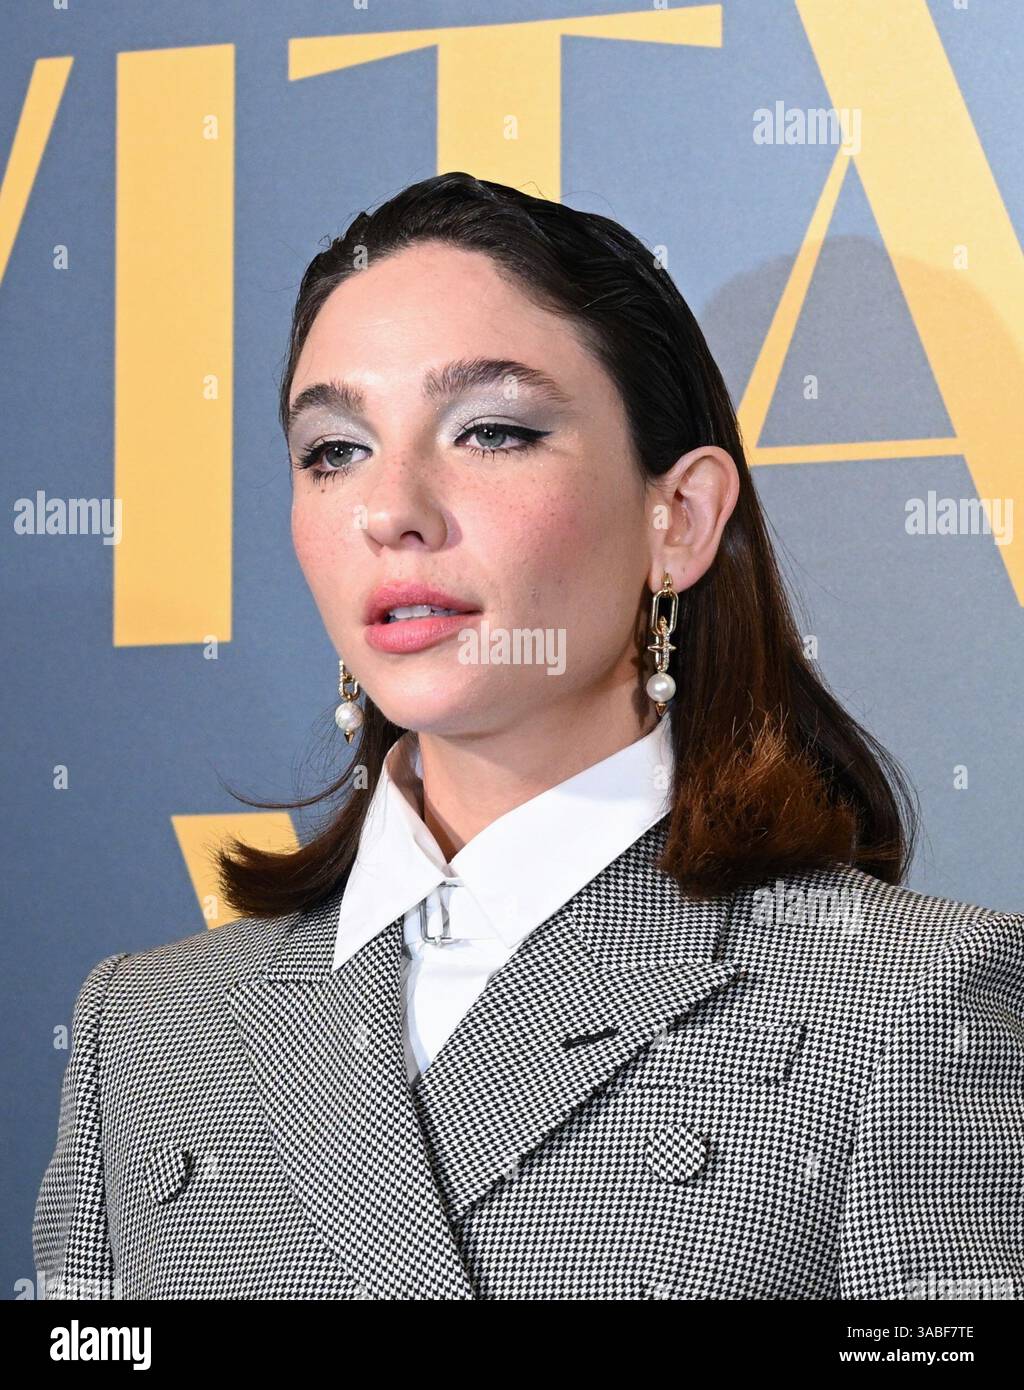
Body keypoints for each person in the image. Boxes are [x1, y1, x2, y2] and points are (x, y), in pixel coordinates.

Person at [33, 172, 1023, 1301]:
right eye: (333, 450)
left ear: (680, 518)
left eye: (491, 431)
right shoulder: (150, 1030)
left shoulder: (904, 998)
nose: (390, 506)